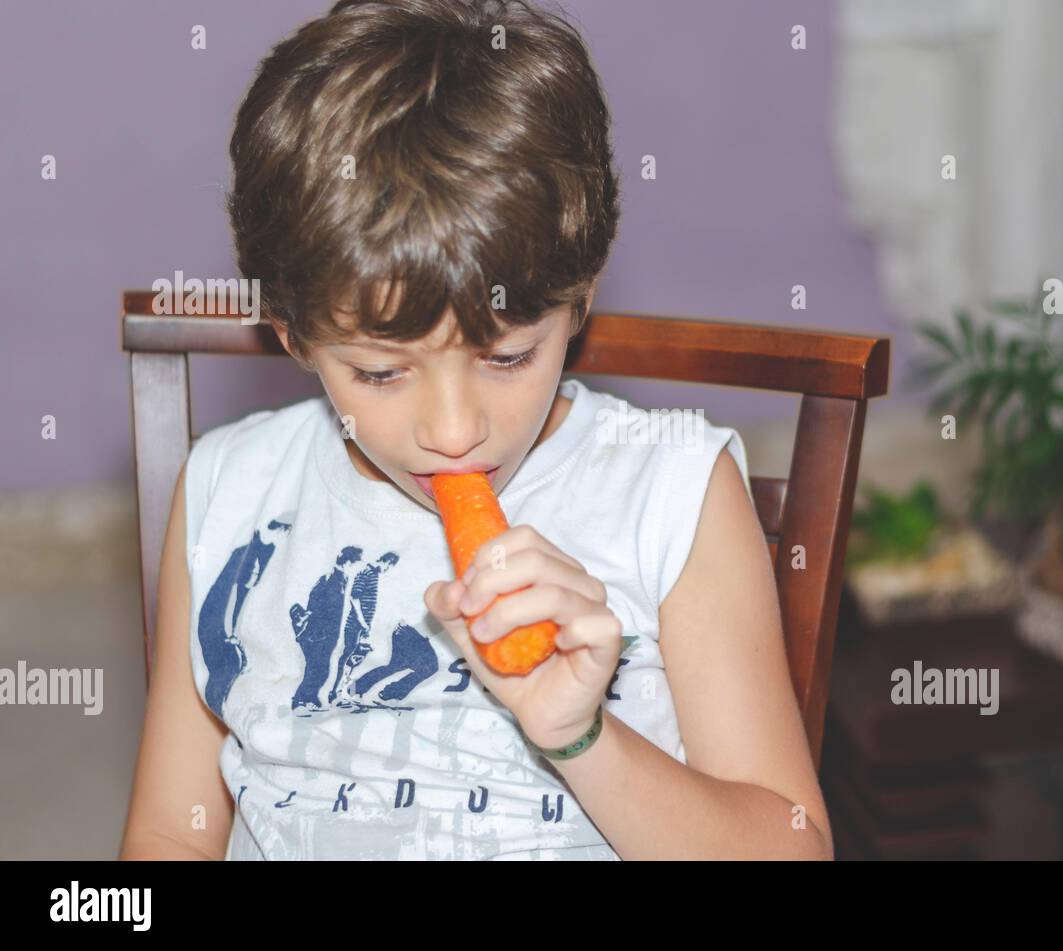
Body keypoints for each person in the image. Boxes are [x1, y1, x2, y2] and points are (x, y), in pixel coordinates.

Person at [119, 0, 831, 861]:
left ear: (581, 302)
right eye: (381, 372)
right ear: (293, 334)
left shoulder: (671, 488)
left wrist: (580, 738)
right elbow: (169, 833)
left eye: (507, 357)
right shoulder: (231, 489)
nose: (455, 432)